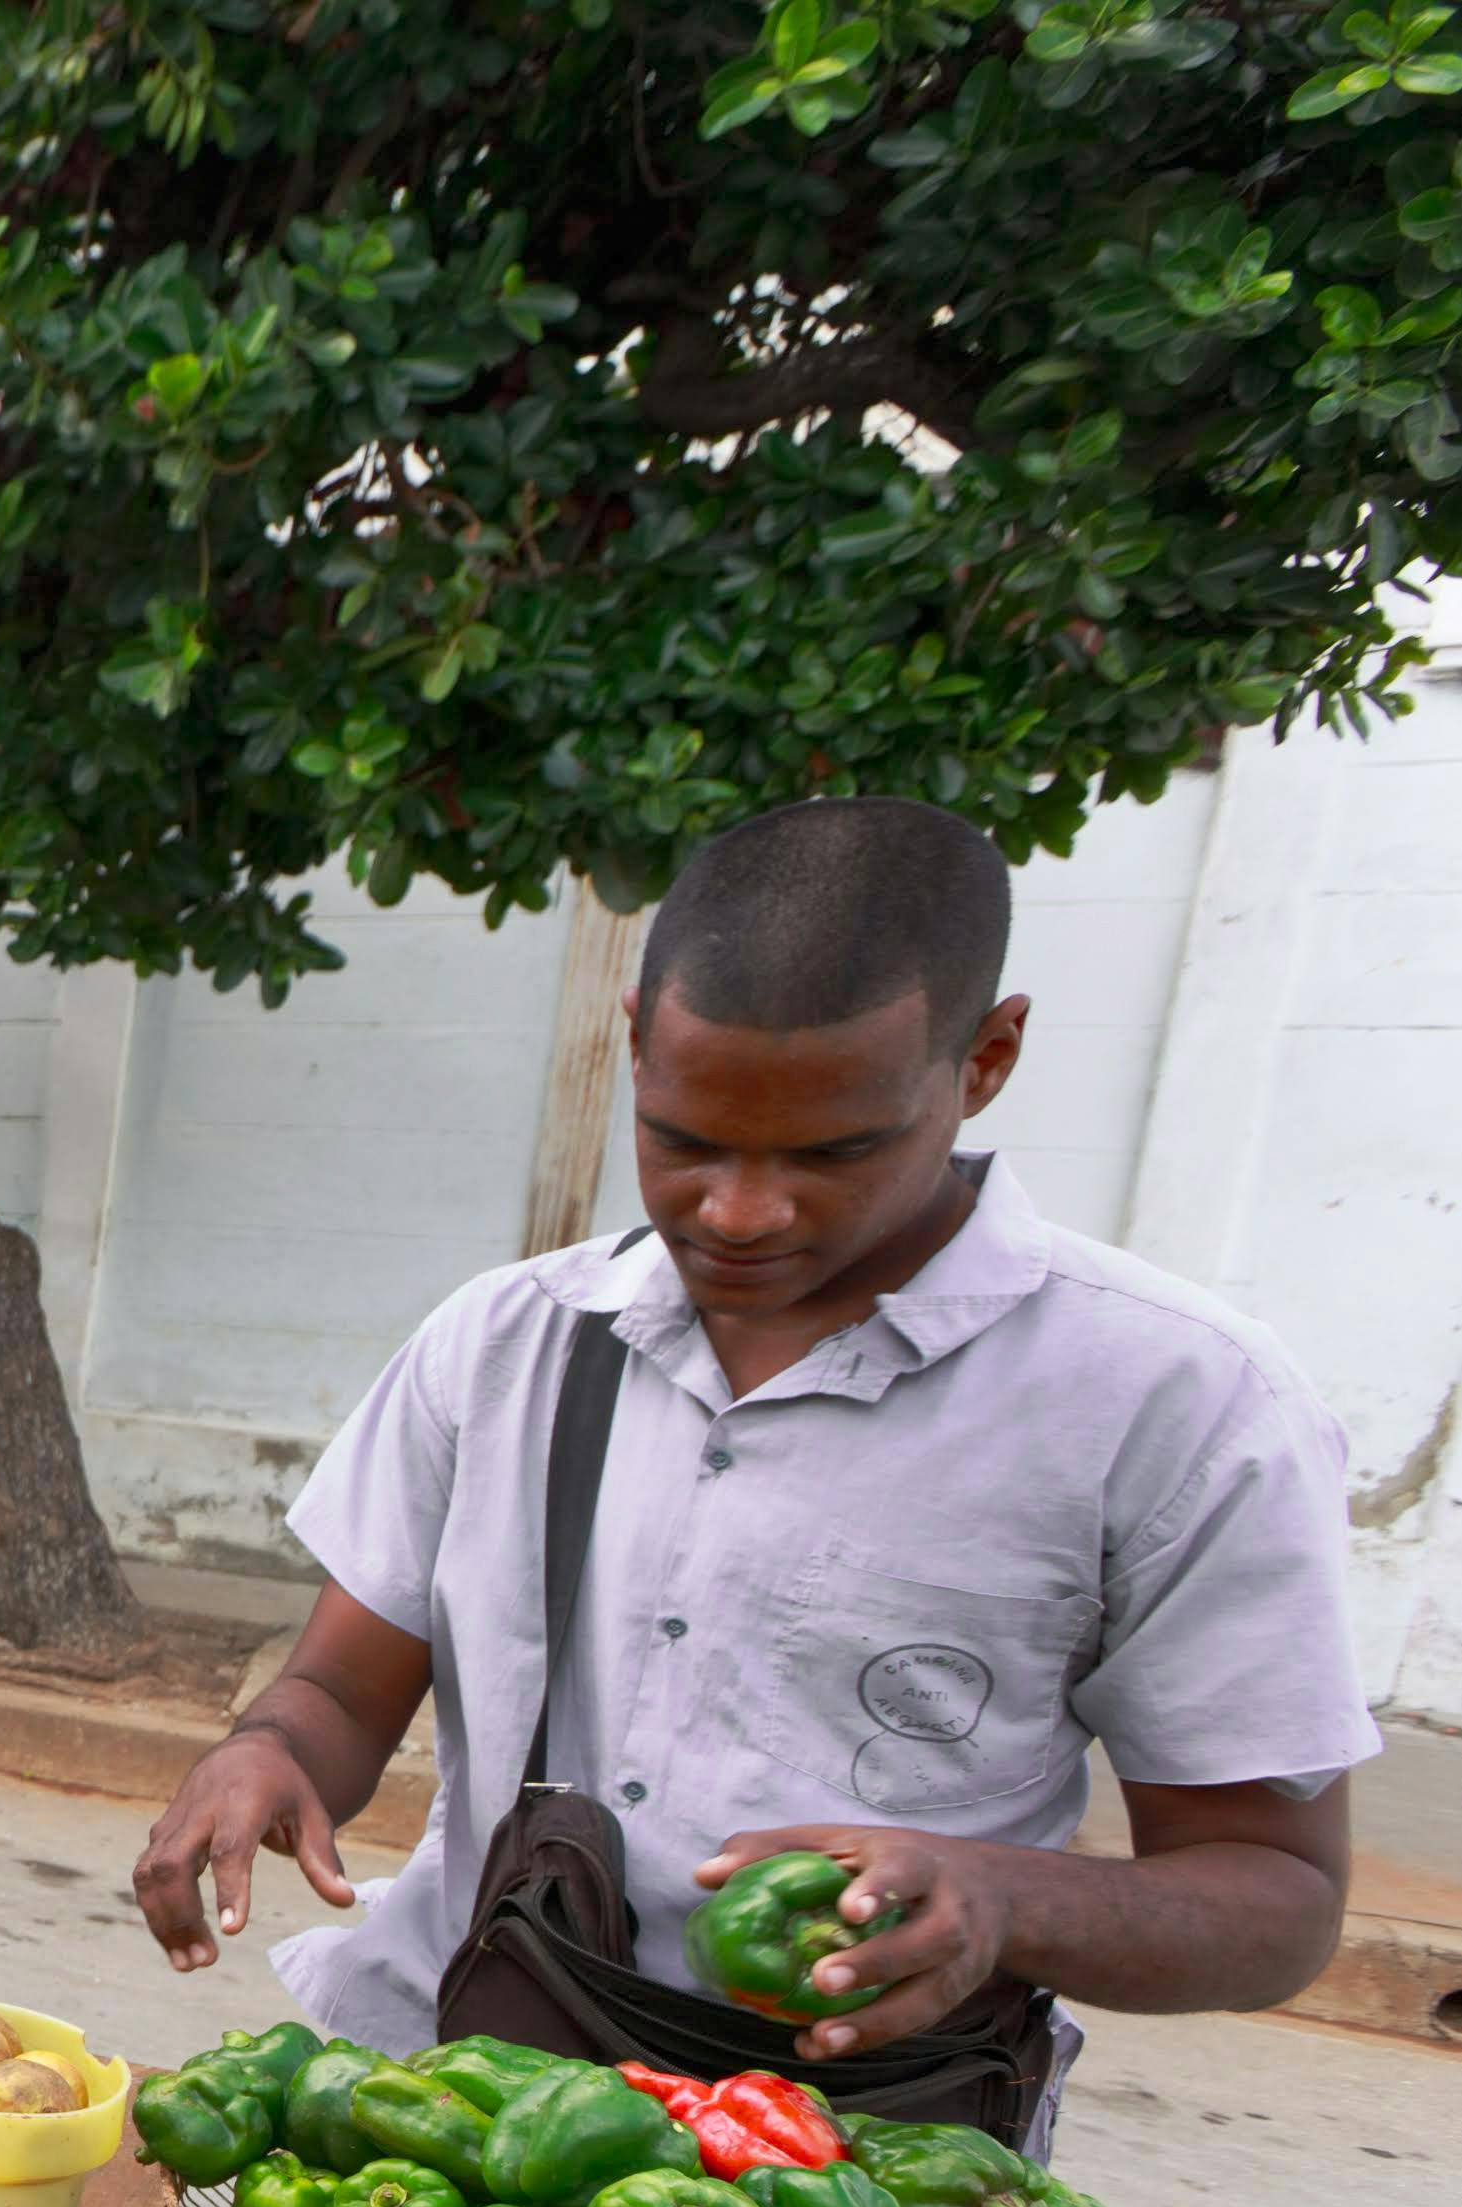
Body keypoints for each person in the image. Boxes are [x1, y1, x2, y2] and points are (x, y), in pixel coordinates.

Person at [132, 795, 1368, 2084]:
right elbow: (339, 1690)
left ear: (987, 1059)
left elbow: (1273, 1896)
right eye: (683, 1140)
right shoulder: (507, 1340)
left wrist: (1000, 1902)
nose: (738, 1210)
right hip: (462, 2100)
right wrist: (265, 1753)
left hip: (843, 2191)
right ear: (634, 1044)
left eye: (834, 1152)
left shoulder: (1180, 1403)